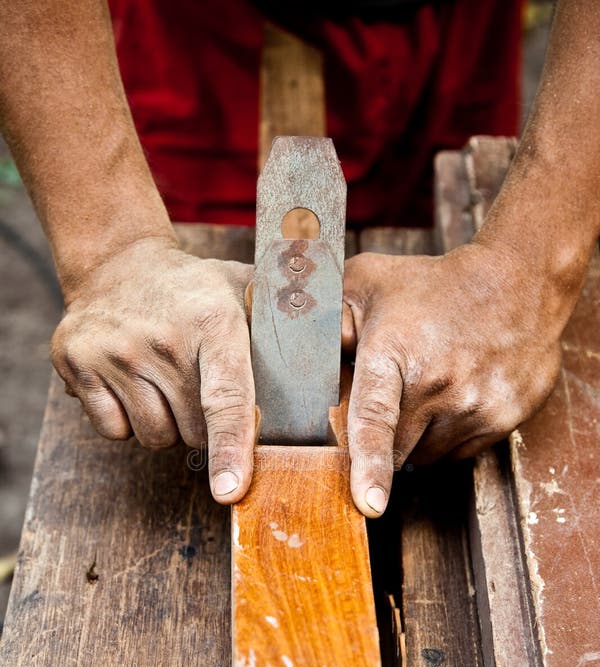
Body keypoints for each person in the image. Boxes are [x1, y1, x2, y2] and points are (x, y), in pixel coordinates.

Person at [0, 1, 598, 518]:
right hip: (205, 44)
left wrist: (525, 271)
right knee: (168, 348)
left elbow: (519, 272)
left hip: (455, 28)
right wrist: (113, 251)